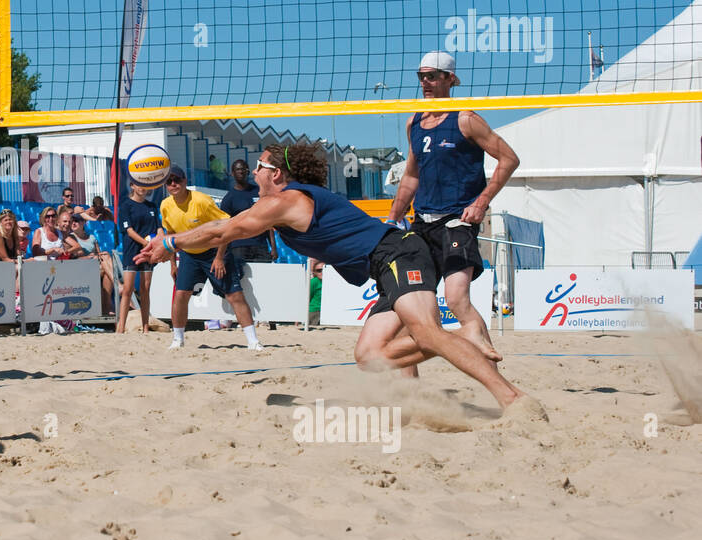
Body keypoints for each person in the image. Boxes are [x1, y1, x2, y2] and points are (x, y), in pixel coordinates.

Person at [137, 142, 542, 418]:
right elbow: (226, 228)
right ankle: (460, 343)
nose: (254, 170)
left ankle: (513, 399)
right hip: (384, 265)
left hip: (399, 252)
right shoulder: (282, 201)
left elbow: (224, 231)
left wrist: (169, 242)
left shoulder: (286, 199)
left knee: (429, 332)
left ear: (276, 174)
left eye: (259, 165)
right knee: (369, 357)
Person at [389, 51, 518, 364]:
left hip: (457, 221)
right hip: (422, 223)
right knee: (409, 309)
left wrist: (481, 202)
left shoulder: (466, 119)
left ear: (450, 79)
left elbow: (509, 159)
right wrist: (392, 219)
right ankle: (410, 391)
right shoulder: (414, 122)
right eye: (421, 76)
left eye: (432, 76)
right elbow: (411, 175)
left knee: (457, 298)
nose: (425, 82)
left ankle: (493, 375)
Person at [157, 167, 262, 351]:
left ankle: (253, 341)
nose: (173, 184)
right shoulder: (165, 205)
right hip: (189, 255)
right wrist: (173, 264)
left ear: (185, 180)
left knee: (234, 295)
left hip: (214, 252)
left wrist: (220, 257)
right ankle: (177, 339)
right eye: (169, 181)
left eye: (177, 180)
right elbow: (171, 236)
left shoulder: (202, 201)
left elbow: (226, 227)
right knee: (180, 296)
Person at [222, 156, 280, 330]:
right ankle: (244, 319)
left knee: (265, 282)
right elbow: (224, 226)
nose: (242, 171)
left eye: (245, 169)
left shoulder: (258, 192)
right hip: (238, 247)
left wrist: (273, 246)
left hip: (260, 245)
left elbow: (269, 219)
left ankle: (270, 319)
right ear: (233, 173)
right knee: (243, 284)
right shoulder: (229, 198)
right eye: (239, 169)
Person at [116, 181, 159, 334]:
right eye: (138, 184)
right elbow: (129, 231)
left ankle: (145, 327)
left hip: (148, 252)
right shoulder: (126, 205)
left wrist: (159, 240)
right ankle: (120, 328)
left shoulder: (152, 206)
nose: (142, 188)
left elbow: (158, 228)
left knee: (145, 289)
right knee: (128, 289)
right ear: (132, 186)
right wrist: (147, 243)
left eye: (144, 185)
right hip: (132, 250)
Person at [70, 213, 115, 314]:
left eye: (76, 221)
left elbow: (98, 253)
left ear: (83, 223)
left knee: (105, 255)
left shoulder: (91, 237)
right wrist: (88, 257)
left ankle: (107, 307)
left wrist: (98, 256)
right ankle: (109, 305)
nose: (73, 223)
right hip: (81, 270)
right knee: (106, 264)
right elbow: (72, 259)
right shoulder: (70, 238)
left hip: (96, 267)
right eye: (72, 221)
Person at [307, 258, 323, 327]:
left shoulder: (333, 282)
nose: (322, 272)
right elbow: (307, 298)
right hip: (315, 311)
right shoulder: (314, 282)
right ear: (314, 272)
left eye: (324, 270)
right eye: (319, 270)